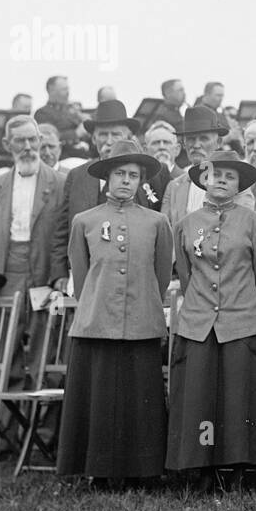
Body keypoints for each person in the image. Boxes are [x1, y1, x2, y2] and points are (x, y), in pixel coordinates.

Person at [57, 141, 173, 484]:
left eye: (133, 175)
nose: (126, 180)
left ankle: (143, 470)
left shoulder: (157, 222)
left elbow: (162, 275)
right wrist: (99, 302)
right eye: (119, 173)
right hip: (97, 322)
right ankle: (99, 470)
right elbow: (81, 276)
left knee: (141, 398)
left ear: (141, 181)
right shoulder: (85, 221)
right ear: (107, 178)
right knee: (100, 397)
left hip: (142, 321)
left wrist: (142, 302)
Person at [166, 150, 256, 491]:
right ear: (203, 180)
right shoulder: (185, 225)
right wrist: (203, 305)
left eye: (230, 177)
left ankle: (240, 470)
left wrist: (243, 308)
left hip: (242, 319)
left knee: (239, 399)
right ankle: (201, 470)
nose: (221, 181)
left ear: (238, 185)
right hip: (199, 322)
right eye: (215, 175)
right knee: (199, 397)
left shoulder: (254, 222)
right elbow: (186, 276)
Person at [0, 116, 67, 383]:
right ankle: (7, 421)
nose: (28, 147)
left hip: (46, 273)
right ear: (6, 144)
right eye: (20, 141)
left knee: (46, 349)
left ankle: (43, 422)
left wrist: (61, 277)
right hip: (6, 273)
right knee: (5, 346)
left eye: (32, 139)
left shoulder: (61, 184)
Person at [50, 101, 167, 291]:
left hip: (133, 281)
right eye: (103, 134)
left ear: (128, 137)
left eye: (116, 134)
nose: (109, 141)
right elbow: (62, 230)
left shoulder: (146, 175)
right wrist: (59, 274)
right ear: (94, 138)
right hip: (85, 280)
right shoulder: (77, 175)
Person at [162, 106, 254, 232]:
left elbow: (245, 227)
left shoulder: (234, 183)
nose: (196, 145)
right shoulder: (174, 187)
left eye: (203, 138)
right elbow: (166, 234)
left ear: (219, 142)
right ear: (184, 143)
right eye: (191, 139)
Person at [34, 76, 88, 158]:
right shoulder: (42, 113)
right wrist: (76, 133)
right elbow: (49, 137)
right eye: (64, 89)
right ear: (51, 91)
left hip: (84, 154)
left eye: (67, 89)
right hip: (64, 157)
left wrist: (84, 119)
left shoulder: (72, 111)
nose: (68, 93)